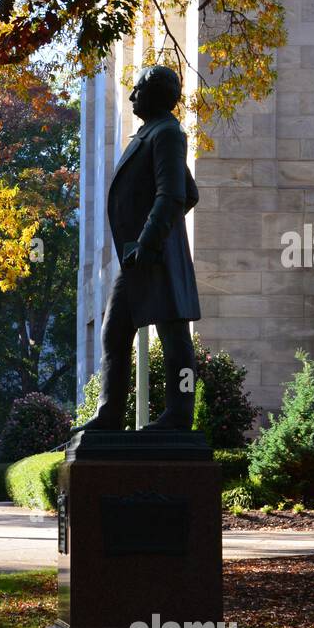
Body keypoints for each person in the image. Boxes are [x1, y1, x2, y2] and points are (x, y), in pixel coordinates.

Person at [74, 64, 201, 433]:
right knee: (114, 331)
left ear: (156, 93)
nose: (131, 96)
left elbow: (175, 195)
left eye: (137, 89)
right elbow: (187, 192)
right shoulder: (152, 134)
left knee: (174, 337)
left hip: (153, 255)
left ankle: (179, 415)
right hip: (139, 257)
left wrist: (151, 239)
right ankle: (110, 414)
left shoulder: (168, 134)